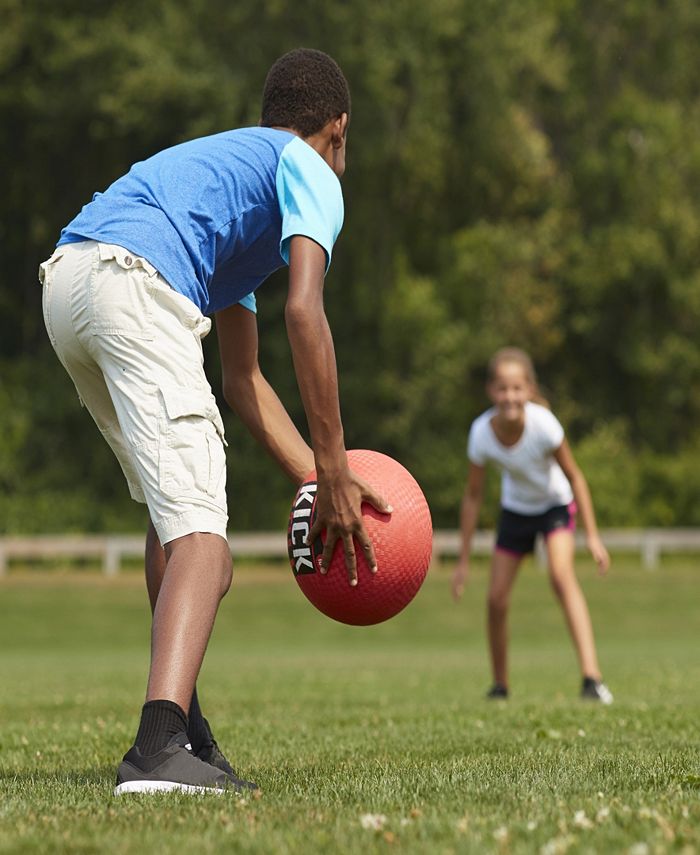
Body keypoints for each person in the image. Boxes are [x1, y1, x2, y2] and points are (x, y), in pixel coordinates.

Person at [39, 48, 390, 795]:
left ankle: (188, 734)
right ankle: (157, 748)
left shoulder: (236, 186)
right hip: (133, 281)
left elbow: (243, 380)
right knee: (204, 539)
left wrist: (325, 484)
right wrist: (332, 469)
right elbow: (306, 311)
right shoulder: (310, 169)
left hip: (70, 283)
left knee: (179, 523)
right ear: (338, 128)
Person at [451, 347, 613, 703]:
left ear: (529, 390)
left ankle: (592, 678)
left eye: (517, 388)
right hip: (515, 511)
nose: (510, 396)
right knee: (495, 599)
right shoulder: (481, 433)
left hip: (555, 505)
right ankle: (500, 685)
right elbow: (474, 496)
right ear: (491, 391)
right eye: (502, 388)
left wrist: (593, 537)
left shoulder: (544, 425)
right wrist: (462, 562)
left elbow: (576, 477)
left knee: (560, 575)